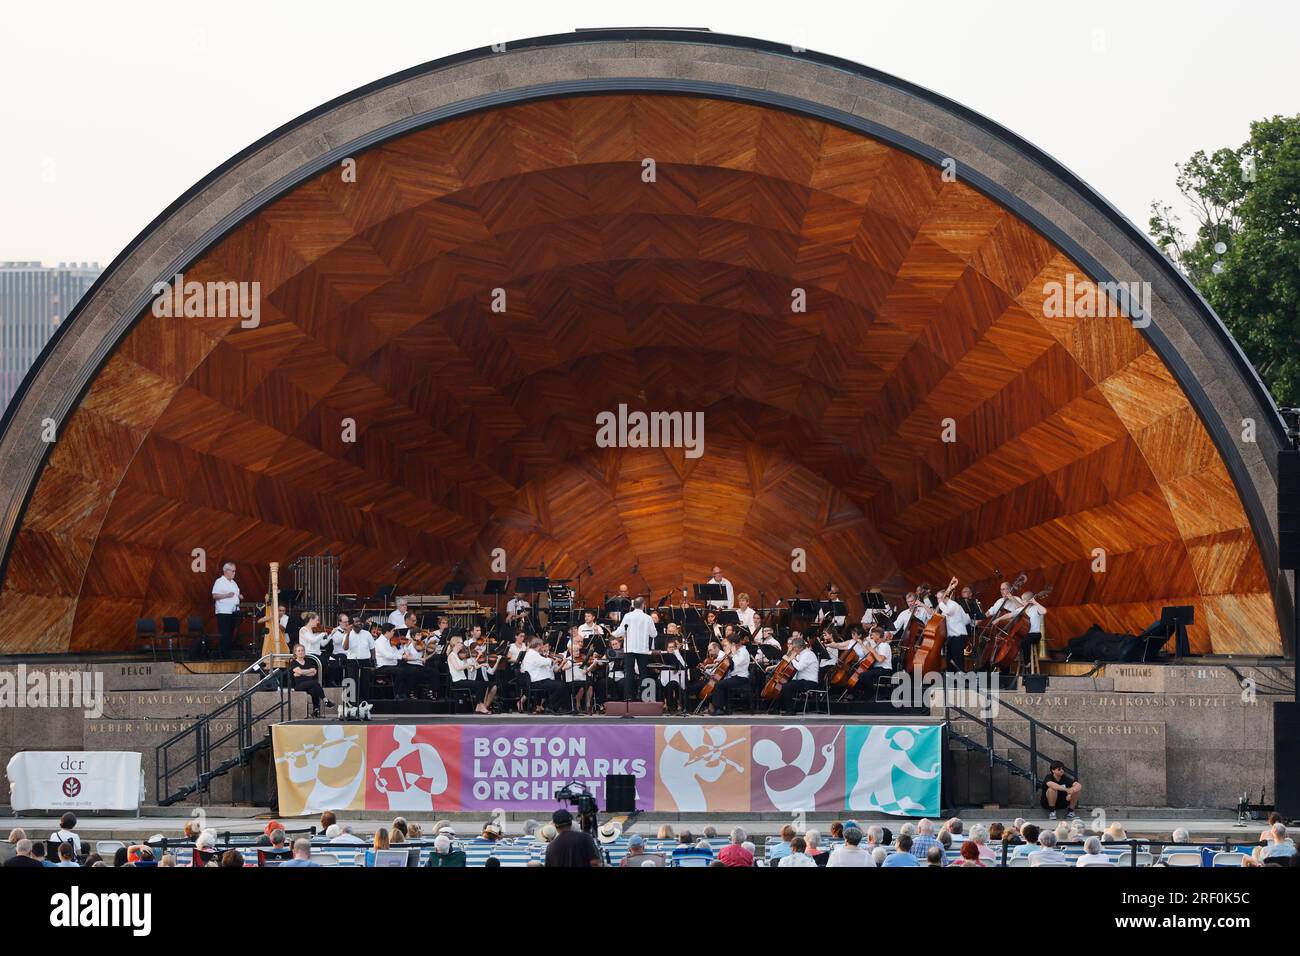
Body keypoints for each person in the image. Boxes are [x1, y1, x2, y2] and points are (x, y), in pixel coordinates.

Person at [613, 596, 656, 702]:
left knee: (629, 673)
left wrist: (613, 633)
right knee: (643, 673)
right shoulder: (647, 618)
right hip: (642, 649)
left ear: (633, 605)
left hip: (630, 648)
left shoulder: (628, 616)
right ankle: (644, 698)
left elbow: (620, 631)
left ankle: (628, 697)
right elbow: (654, 634)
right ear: (643, 605)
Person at [776, 634, 821, 714]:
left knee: (787, 686)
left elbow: (799, 667)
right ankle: (777, 708)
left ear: (799, 648)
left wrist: (791, 659)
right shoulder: (801, 654)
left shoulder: (808, 654)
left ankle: (790, 710)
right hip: (801, 681)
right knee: (782, 684)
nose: (793, 649)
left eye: (794, 648)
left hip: (809, 682)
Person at [710, 634, 751, 715]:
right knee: (720, 683)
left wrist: (733, 653)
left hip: (741, 678)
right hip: (735, 677)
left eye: (728, 644)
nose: (727, 646)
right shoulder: (737, 652)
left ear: (733, 644)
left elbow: (736, 663)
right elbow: (729, 662)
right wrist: (720, 660)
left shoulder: (743, 652)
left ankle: (719, 709)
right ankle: (725, 707)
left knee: (719, 685)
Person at [289, 643, 332, 716]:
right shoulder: (294, 662)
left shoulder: (308, 661)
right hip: (299, 685)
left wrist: (301, 673)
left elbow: (314, 672)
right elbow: (300, 671)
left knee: (314, 690)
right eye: (299, 651)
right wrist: (309, 671)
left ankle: (316, 710)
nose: (301, 652)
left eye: (302, 650)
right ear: (295, 652)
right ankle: (325, 699)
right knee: (315, 683)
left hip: (309, 684)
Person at [211, 561, 242, 658]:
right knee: (225, 633)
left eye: (235, 571)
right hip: (224, 612)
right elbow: (214, 595)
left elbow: (235, 594)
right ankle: (224, 654)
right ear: (226, 571)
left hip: (234, 612)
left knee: (231, 633)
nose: (234, 573)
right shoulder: (220, 581)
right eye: (232, 571)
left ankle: (228, 652)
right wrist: (226, 595)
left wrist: (239, 596)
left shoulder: (234, 583)